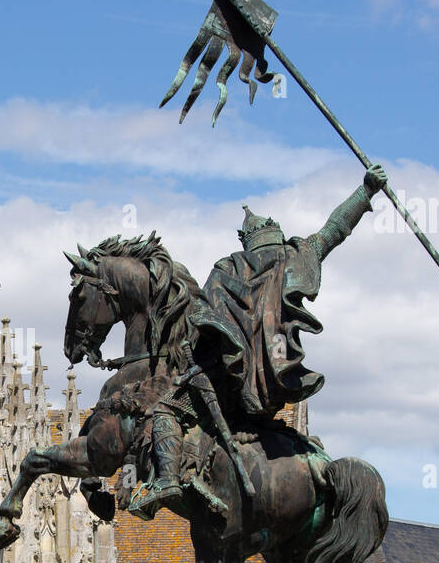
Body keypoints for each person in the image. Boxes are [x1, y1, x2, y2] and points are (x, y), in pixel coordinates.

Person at [130, 165, 387, 520]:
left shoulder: (229, 268)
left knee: (164, 410)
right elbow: (335, 230)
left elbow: (200, 323)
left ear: (247, 243)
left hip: (224, 387)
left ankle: (168, 482)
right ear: (275, 238)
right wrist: (365, 192)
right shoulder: (294, 256)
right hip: (272, 392)